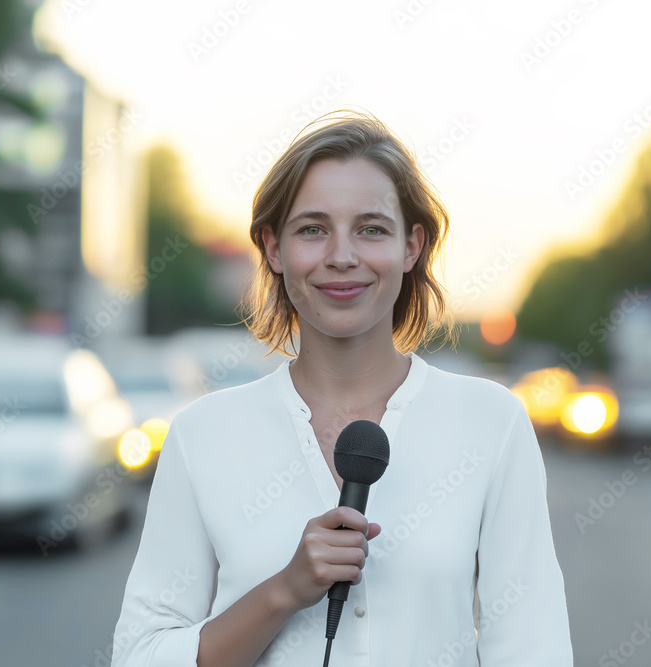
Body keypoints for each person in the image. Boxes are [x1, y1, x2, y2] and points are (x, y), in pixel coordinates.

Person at [110, 110, 573, 666]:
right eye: (312, 229)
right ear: (274, 249)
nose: (342, 256)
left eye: (372, 229)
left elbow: (531, 648)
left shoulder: (491, 423)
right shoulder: (200, 436)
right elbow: (141, 656)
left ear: (412, 246)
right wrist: (284, 590)